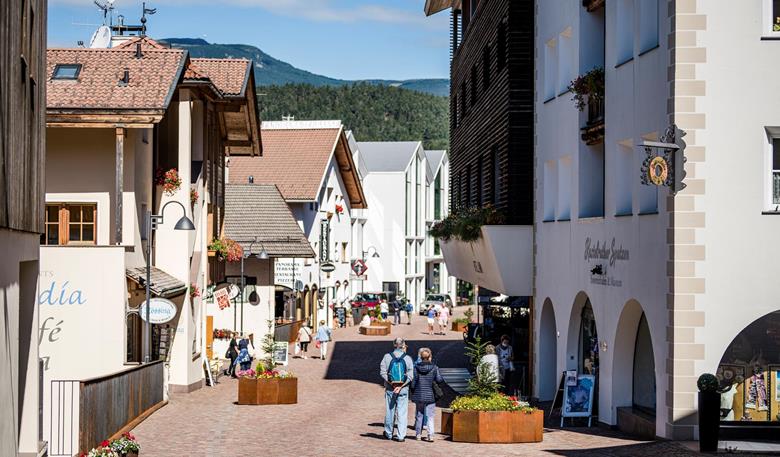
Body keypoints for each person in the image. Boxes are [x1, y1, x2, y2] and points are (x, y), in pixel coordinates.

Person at [380, 338, 414, 442]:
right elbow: (410, 376)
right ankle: (401, 435)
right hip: (403, 389)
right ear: (403, 345)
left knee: (390, 411)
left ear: (394, 345)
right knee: (402, 412)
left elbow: (383, 372)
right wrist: (401, 386)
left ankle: (389, 433)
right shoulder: (408, 358)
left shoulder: (387, 357)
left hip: (391, 389)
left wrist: (392, 384)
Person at [411, 348, 444, 442]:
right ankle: (430, 435)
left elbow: (414, 382)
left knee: (419, 415)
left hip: (419, 394)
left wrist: (413, 391)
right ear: (430, 357)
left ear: (421, 357)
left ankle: (418, 434)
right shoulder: (434, 367)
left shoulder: (416, 368)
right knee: (430, 416)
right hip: (430, 395)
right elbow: (439, 380)